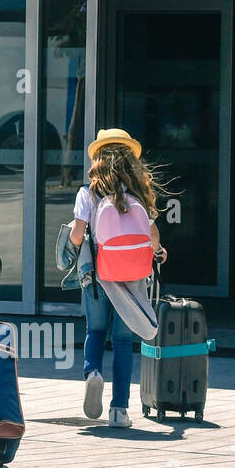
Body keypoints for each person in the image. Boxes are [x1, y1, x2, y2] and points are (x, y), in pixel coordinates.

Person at [67, 128, 170, 428]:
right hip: (134, 279)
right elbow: (152, 236)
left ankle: (93, 372)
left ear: (98, 159)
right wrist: (160, 250)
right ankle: (119, 410)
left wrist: (79, 245)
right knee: (124, 342)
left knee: (96, 331)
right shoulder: (141, 193)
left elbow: (76, 236)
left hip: (100, 276)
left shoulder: (88, 193)